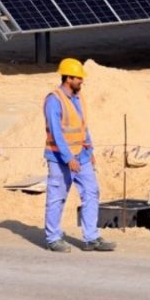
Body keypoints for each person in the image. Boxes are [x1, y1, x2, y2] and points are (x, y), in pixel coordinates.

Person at [42, 58, 115, 253]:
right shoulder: (54, 100)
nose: (81, 82)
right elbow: (56, 133)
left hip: (81, 155)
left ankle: (91, 238)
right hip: (60, 158)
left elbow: (82, 126)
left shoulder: (78, 97)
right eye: (78, 79)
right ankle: (53, 238)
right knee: (57, 198)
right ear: (68, 78)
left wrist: (89, 150)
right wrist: (69, 158)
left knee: (91, 192)